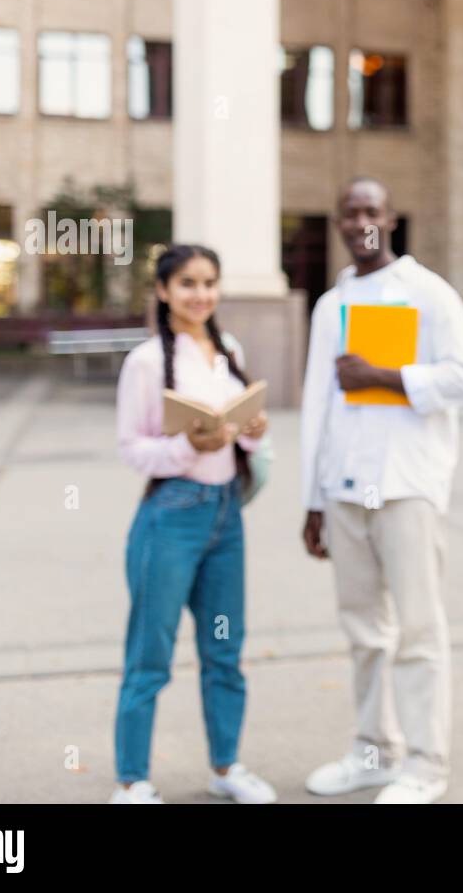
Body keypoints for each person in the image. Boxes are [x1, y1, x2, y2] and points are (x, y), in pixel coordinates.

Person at [300, 177, 463, 804]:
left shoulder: (428, 293)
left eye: (371, 210)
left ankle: (427, 765)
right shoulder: (332, 303)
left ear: (392, 217)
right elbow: (315, 407)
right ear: (337, 223)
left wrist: (385, 375)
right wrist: (313, 499)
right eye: (348, 212)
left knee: (416, 630)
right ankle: (375, 751)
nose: (360, 222)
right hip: (345, 490)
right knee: (363, 631)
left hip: (407, 487)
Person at [111, 243, 276, 804]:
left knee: (225, 652)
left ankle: (226, 767)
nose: (200, 294)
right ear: (163, 291)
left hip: (226, 515)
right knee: (149, 654)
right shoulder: (146, 362)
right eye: (187, 283)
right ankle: (133, 780)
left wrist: (252, 427)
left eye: (209, 282)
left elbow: (244, 438)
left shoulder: (226, 348)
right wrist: (186, 445)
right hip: (170, 517)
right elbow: (133, 448)